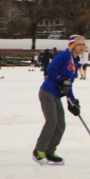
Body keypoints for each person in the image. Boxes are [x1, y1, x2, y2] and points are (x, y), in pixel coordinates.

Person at [33, 35, 85, 166]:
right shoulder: (63, 55)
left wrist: (73, 101)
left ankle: (49, 151)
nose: (82, 47)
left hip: (56, 96)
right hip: (47, 92)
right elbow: (50, 69)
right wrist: (60, 79)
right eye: (79, 44)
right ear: (73, 45)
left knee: (60, 124)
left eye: (83, 45)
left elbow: (69, 84)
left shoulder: (76, 61)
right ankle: (38, 151)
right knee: (52, 122)